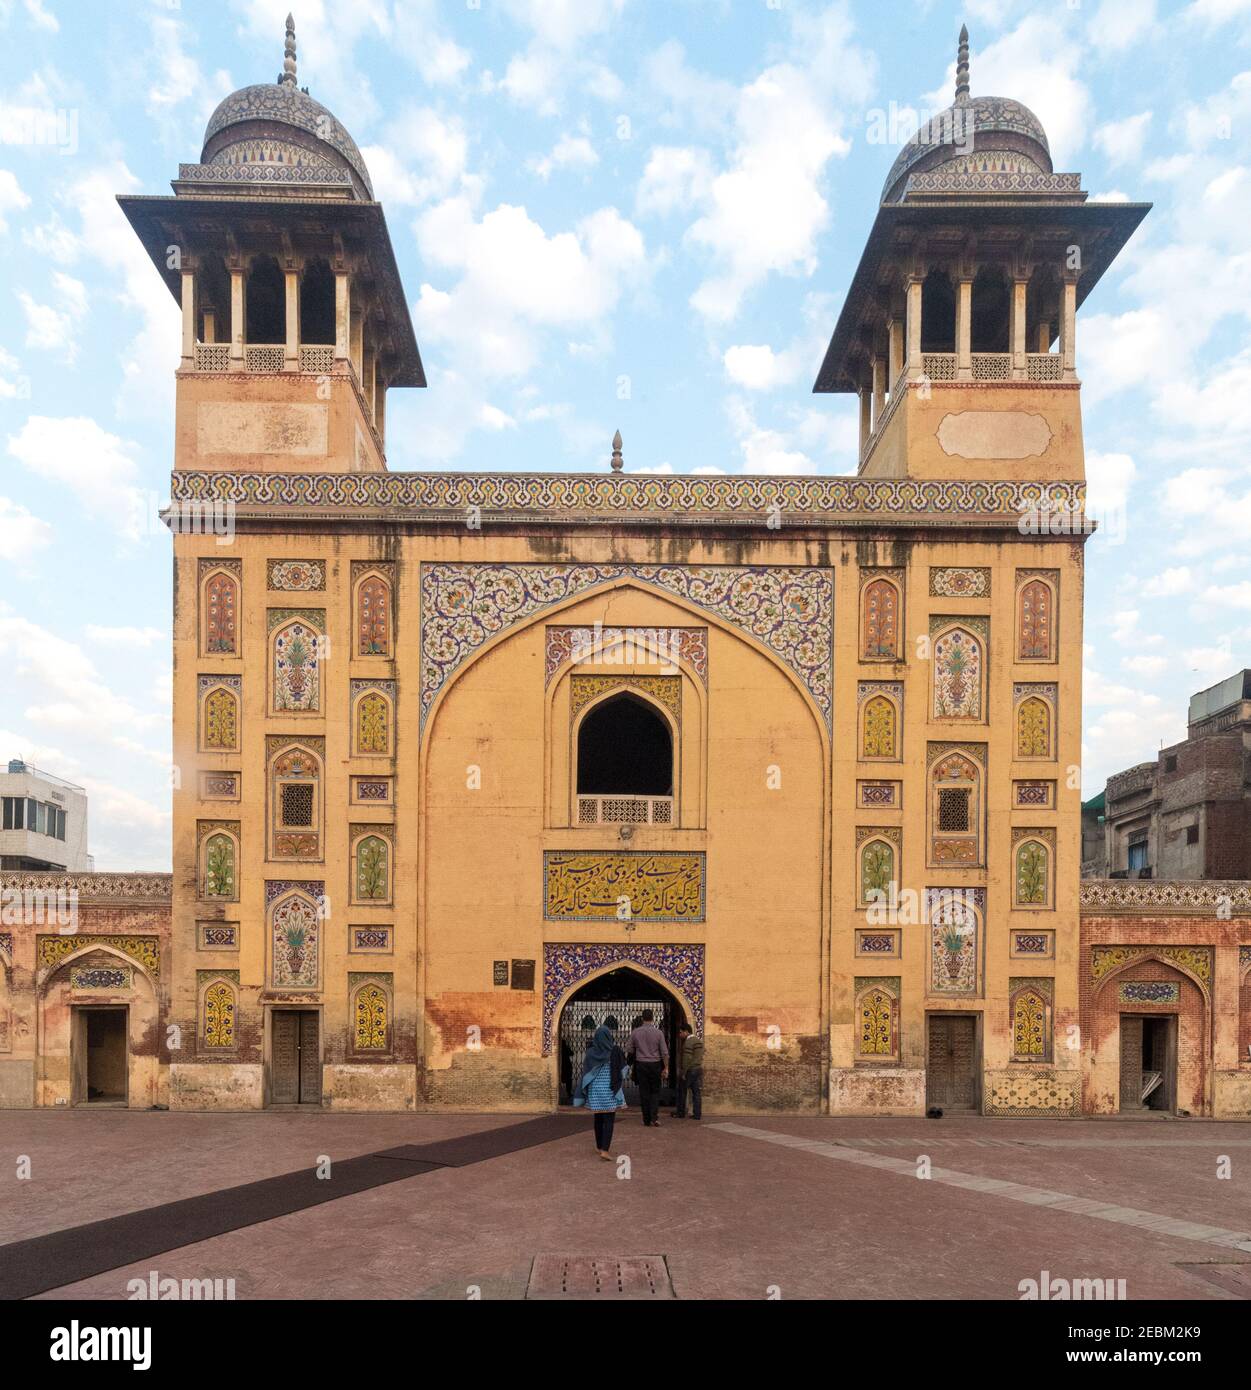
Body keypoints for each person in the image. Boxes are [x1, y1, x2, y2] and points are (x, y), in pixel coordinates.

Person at [572, 1023, 626, 1159]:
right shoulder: (615, 1051)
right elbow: (624, 1070)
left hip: (595, 1091)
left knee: (598, 1118)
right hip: (609, 1090)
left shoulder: (591, 1053)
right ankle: (605, 1150)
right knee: (609, 1120)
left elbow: (585, 1073)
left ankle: (598, 1146)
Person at [627, 1008, 668, 1127]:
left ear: (642, 1018)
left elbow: (629, 1048)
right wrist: (666, 1067)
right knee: (655, 1092)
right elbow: (664, 1052)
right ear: (652, 1018)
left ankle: (646, 1119)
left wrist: (638, 1050)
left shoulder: (635, 1032)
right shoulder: (659, 1033)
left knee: (644, 1092)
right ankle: (654, 1117)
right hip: (655, 1064)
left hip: (641, 1064)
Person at [674, 1021, 704, 1120]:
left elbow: (687, 1059)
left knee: (682, 1091)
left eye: (680, 1032)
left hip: (690, 1070)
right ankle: (697, 1114)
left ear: (686, 1032)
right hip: (698, 1069)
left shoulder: (688, 1042)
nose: (680, 1034)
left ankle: (680, 1112)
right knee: (696, 1092)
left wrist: (683, 1072)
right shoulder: (698, 1041)